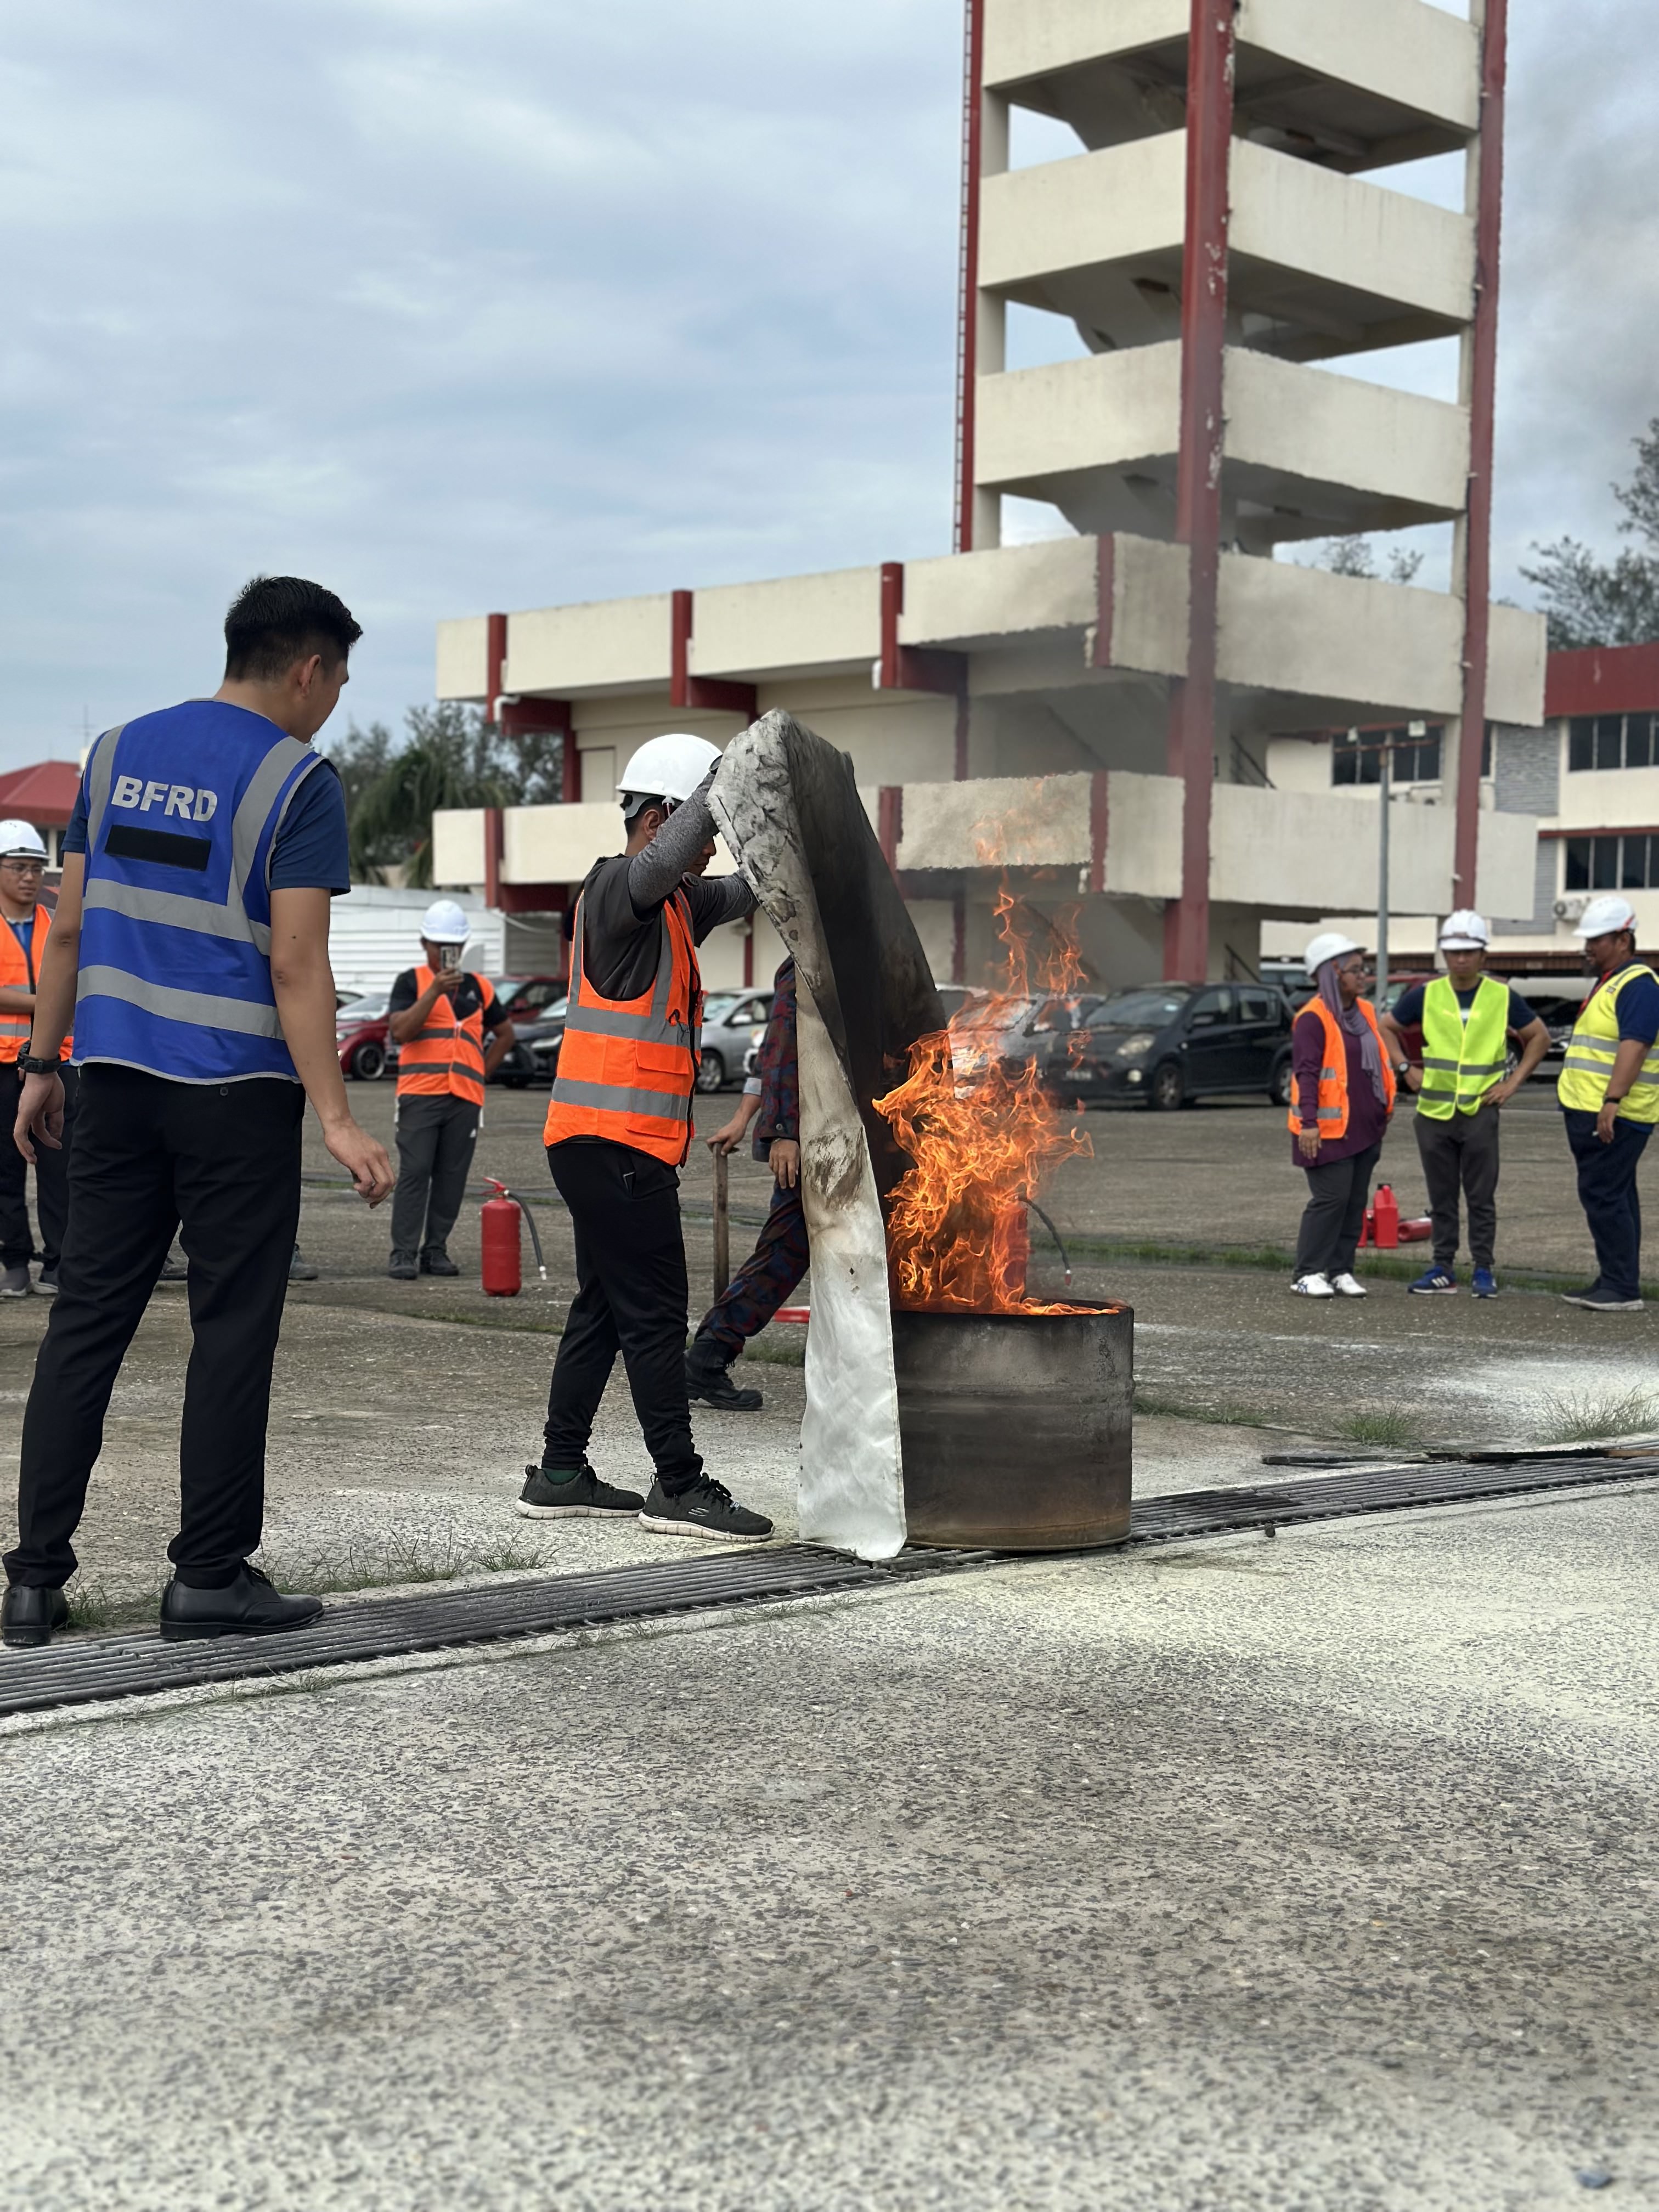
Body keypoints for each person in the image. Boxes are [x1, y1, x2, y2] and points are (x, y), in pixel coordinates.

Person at [0, 575, 395, 1651]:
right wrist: (338, 1117)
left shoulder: (114, 755)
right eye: (340, 680)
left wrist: (44, 1064)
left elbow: (69, 934)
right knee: (228, 1334)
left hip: (113, 1084)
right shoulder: (299, 781)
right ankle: (208, 1577)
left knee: (86, 1323)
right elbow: (299, 959)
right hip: (236, 1098)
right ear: (308, 668)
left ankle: (33, 1583)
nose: (334, 703)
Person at [518, 733, 774, 1542]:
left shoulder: (675, 908)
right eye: (706, 832)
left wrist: (778, 825)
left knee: (603, 1304)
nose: (711, 852)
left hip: (608, 1148)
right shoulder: (616, 893)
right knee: (657, 1314)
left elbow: (750, 890)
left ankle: (560, 1471)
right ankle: (679, 1484)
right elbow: (665, 861)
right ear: (663, 817)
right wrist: (725, 779)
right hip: (615, 1148)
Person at [1379, 911, 1550, 1298]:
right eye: (1454, 951)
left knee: (1480, 1196)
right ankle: (1443, 1268)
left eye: (1468, 952)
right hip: (1434, 1113)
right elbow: (1386, 1026)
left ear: (1483, 955)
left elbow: (1538, 1037)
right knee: (1442, 1196)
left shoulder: (1501, 995)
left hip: (1479, 1111)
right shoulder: (1427, 993)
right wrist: (1404, 1067)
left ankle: (1484, 1269)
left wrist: (1513, 1083)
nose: (1460, 959)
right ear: (1444, 954)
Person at [685, 955, 805, 1411]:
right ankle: (708, 1357)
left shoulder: (840, 959)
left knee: (788, 1253)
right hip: (811, 1142)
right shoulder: (807, 966)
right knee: (783, 1255)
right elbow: (780, 1055)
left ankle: (709, 1355)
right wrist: (782, 1132)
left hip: (844, 1138)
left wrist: (741, 1120)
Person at [385, 899, 515, 1280]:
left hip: (465, 1099)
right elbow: (400, 1031)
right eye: (440, 946)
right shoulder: (411, 982)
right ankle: (403, 1253)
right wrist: (434, 993)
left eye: (454, 947)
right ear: (425, 944)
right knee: (416, 1171)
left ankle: (435, 1250)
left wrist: (481, 1073)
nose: (447, 954)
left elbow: (505, 1034)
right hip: (420, 1095)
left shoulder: (479, 987)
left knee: (451, 1176)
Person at [1554, 893, 1659, 1312]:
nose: (1589, 947)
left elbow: (1634, 1045)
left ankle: (1621, 1287)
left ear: (1623, 938)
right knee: (1617, 1195)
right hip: (1594, 1109)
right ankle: (1617, 1278)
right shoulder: (1614, 981)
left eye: (1597, 939)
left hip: (1616, 1113)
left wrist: (1612, 1100)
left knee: (1604, 1196)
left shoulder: (1637, 985)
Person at [1288, 932, 1396, 1298]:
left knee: (1354, 1201)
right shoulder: (1312, 1019)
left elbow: (1377, 1063)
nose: (1362, 975)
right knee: (1330, 1200)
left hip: (1365, 1126)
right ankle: (1307, 1272)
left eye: (1362, 969)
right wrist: (1309, 1123)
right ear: (1331, 974)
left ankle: (1340, 1269)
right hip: (1325, 1130)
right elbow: (1307, 1074)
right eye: (1354, 969)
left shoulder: (1364, 1012)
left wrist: (1385, 1107)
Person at [0, 821, 75, 1299]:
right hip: (3, 1064)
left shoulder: (56, 925)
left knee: (60, 1167)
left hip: (56, 1065)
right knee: (5, 1168)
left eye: (35, 868)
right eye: (18, 867)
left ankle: (59, 1264)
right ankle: (14, 1263)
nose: (29, 877)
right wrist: (50, 998)